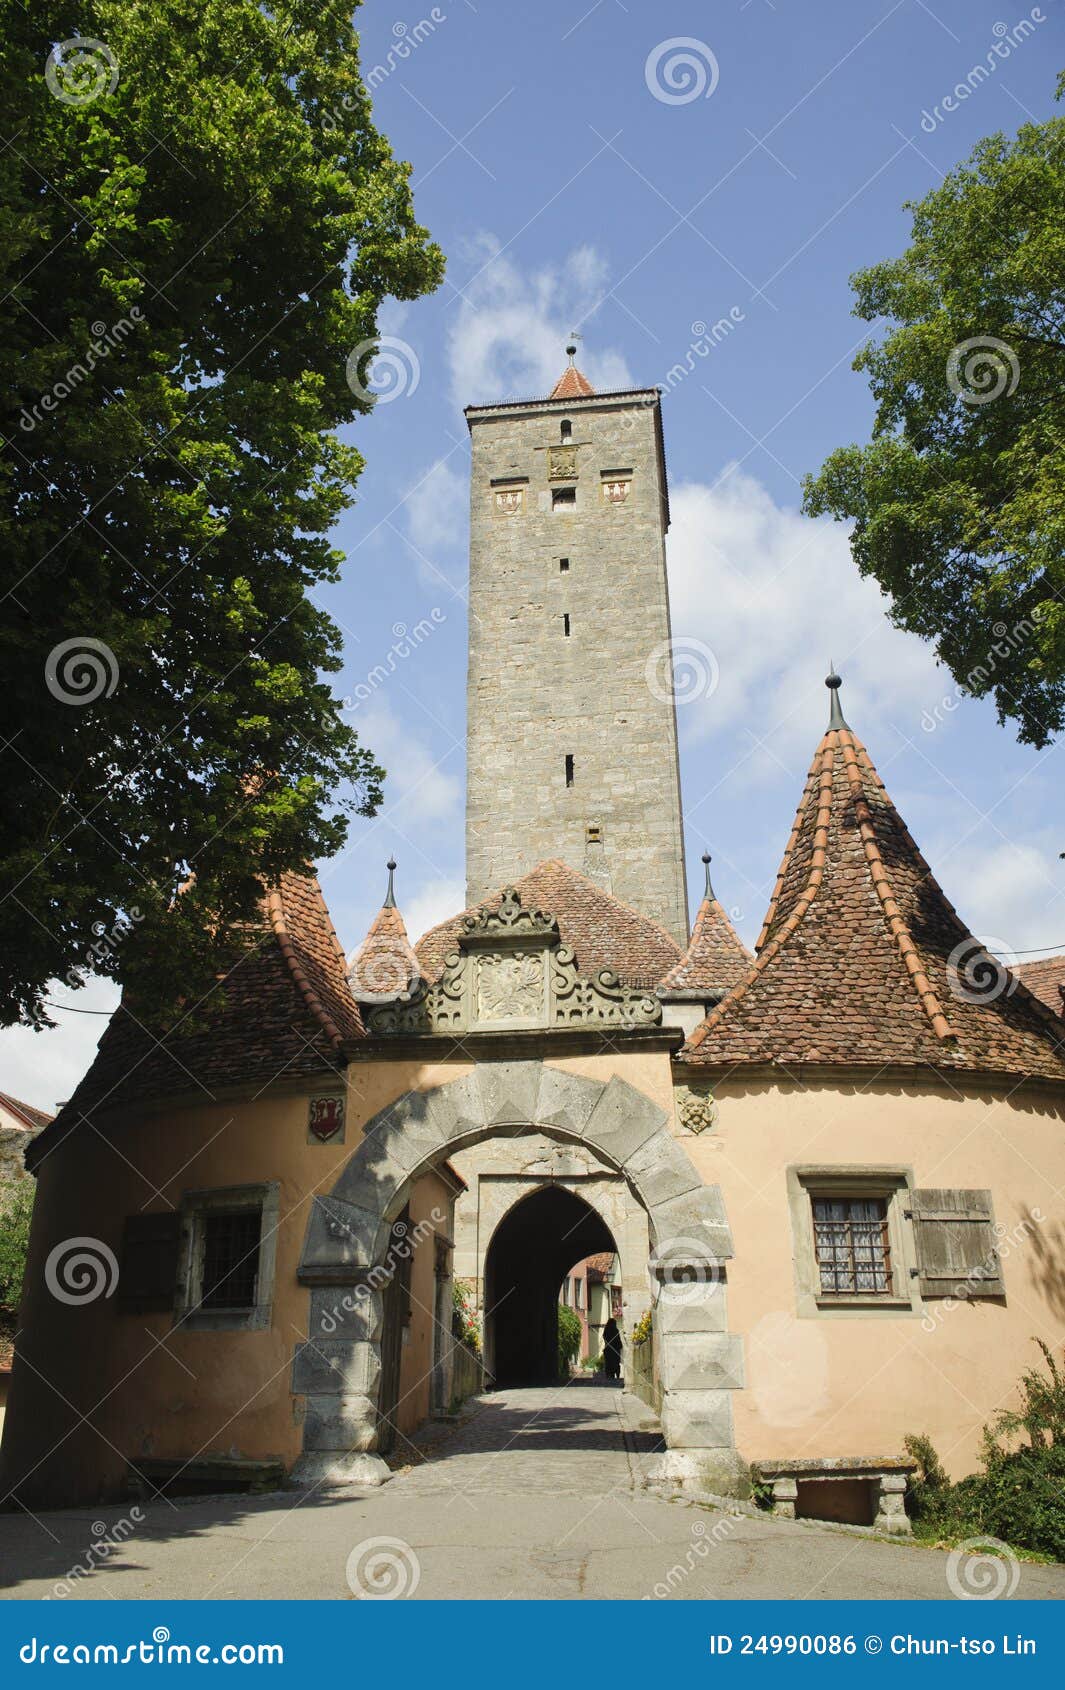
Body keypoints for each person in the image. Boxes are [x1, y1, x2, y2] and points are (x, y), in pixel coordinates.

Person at [602, 1316, 622, 1382]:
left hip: (608, 1350)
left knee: (609, 1364)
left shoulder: (606, 1330)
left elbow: (604, 1338)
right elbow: (618, 1340)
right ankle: (617, 1376)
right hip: (615, 1350)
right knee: (616, 1364)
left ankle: (610, 1375)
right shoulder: (616, 1330)